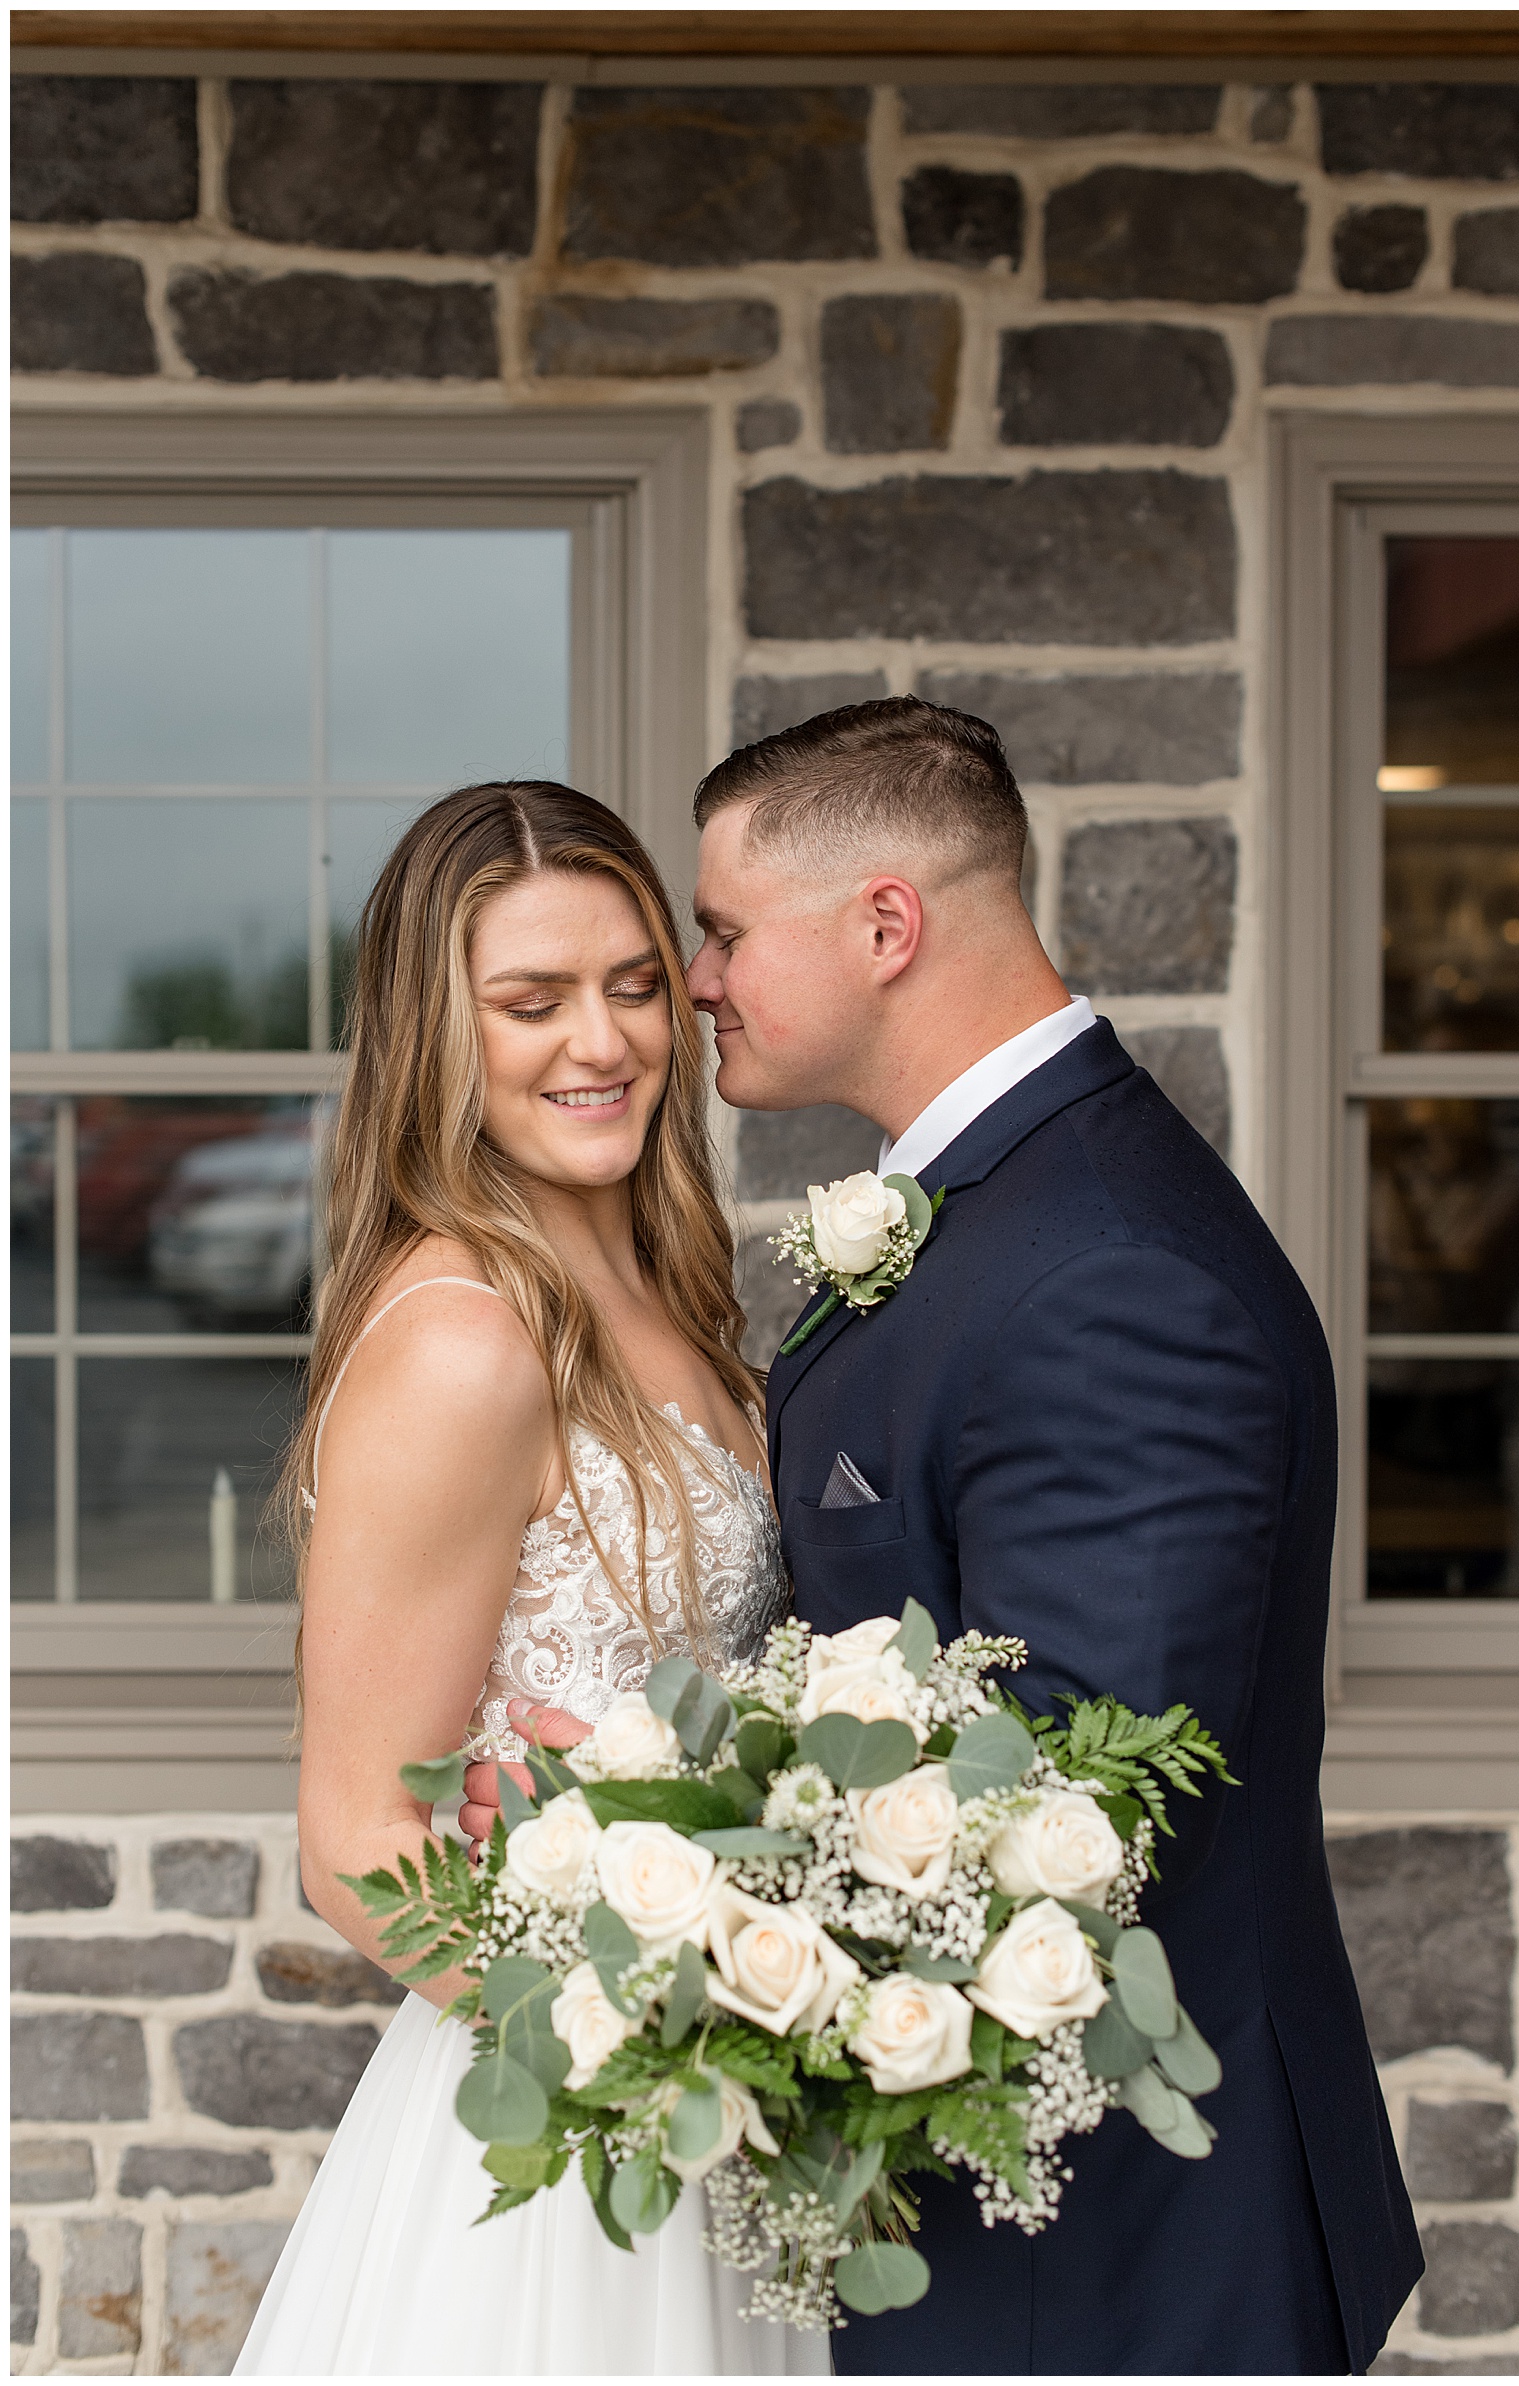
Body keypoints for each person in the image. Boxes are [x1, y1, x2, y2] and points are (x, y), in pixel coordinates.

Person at [466, 697, 1423, 2375]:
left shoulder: (1108, 1268)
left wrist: (650, 1877)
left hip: (1115, 2254)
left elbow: (1082, 1801)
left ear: (886, 926)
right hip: (1000, 2218)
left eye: (720, 932)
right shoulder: (1004, 1206)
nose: (694, 982)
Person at [236, 781, 820, 2378]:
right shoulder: (464, 1337)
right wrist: (654, 2047)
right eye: (532, 999)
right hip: (583, 2137)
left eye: (637, 983)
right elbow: (356, 1843)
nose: (604, 1040)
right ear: (440, 1032)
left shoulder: (661, 1281)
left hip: (723, 2093)